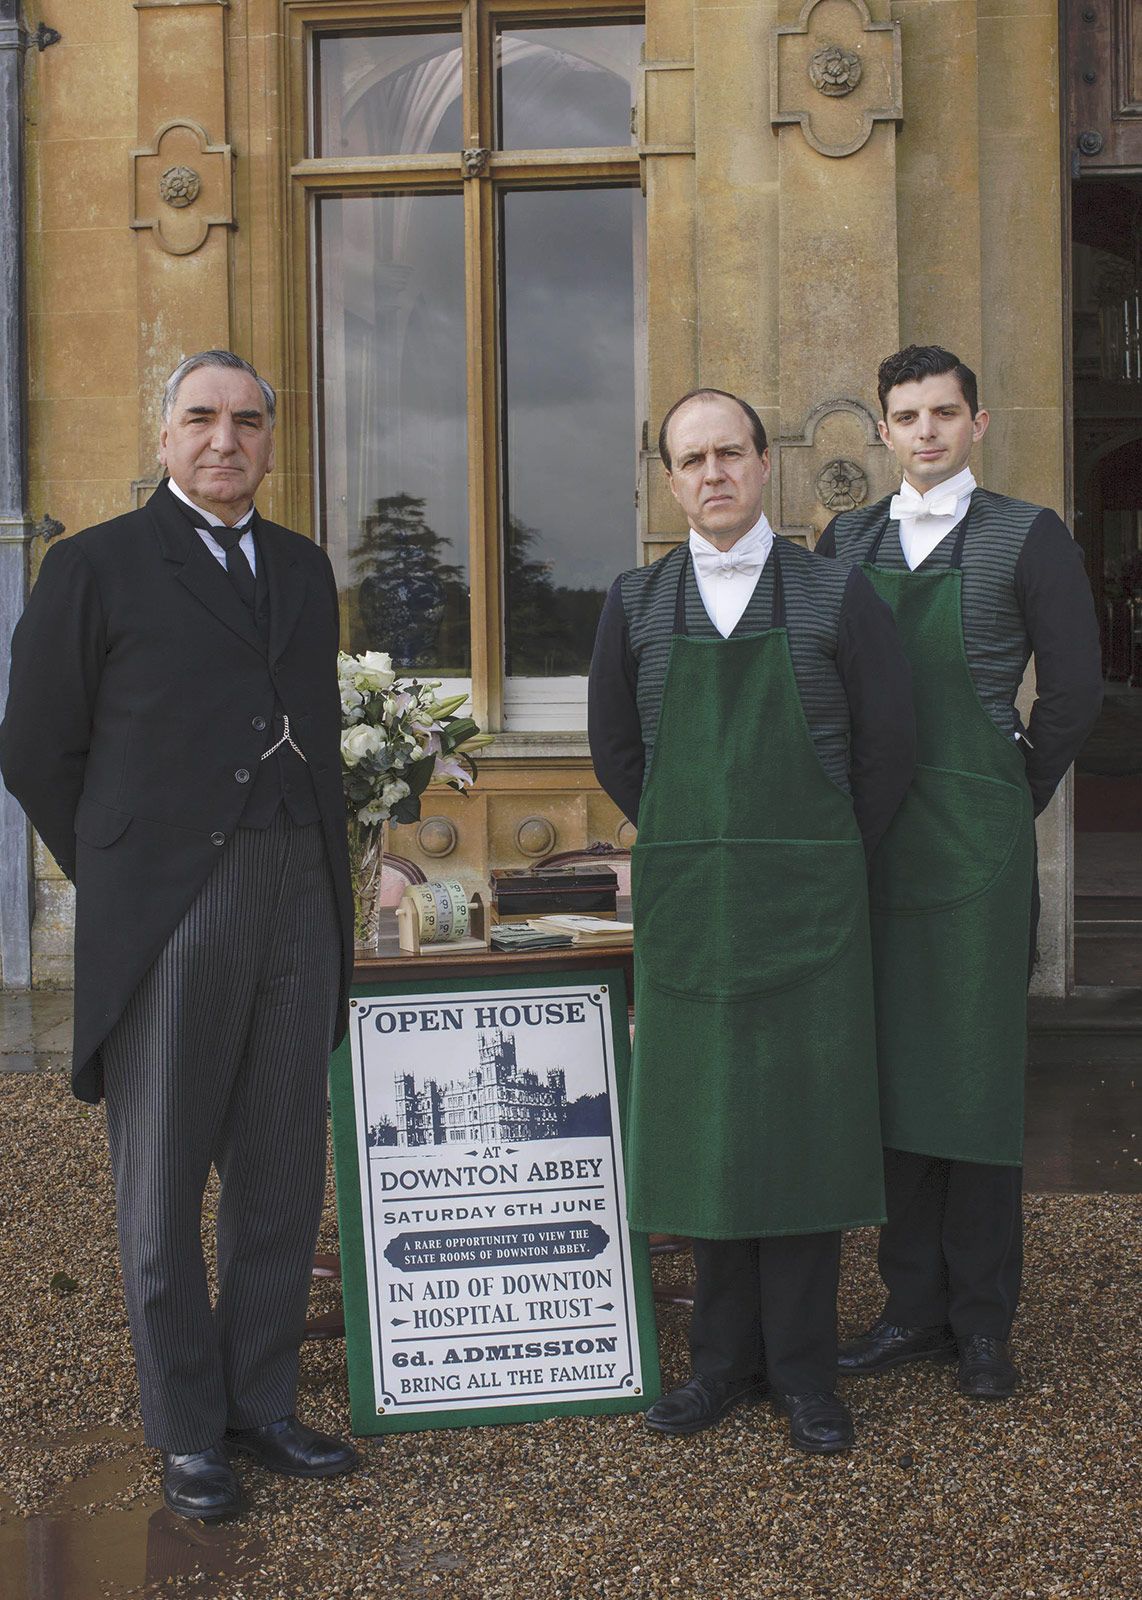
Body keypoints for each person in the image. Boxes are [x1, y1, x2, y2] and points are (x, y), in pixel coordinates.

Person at [0, 351, 358, 1519]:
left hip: (297, 890)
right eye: (200, 419)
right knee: (161, 1188)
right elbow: (38, 745)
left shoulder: (303, 568)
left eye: (247, 422)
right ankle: (187, 1428)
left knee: (278, 1170)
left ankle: (260, 1403)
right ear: (163, 439)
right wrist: (125, 864)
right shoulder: (93, 565)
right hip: (171, 903)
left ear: (269, 439)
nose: (224, 439)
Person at [588, 388, 916, 1454]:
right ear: (668, 478)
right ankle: (718, 1367)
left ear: (762, 464)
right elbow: (616, 756)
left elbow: (886, 747)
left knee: (804, 1130)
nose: (712, 472)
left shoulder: (836, 593)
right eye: (690, 459)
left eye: (729, 452)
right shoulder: (634, 603)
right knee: (706, 1129)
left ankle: (806, 1371)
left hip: (812, 903)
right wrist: (692, 840)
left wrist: (817, 851)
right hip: (693, 906)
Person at [817, 344, 1103, 1399]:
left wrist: (1006, 789)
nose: (926, 430)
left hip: (975, 835)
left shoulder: (1027, 535)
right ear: (882, 431)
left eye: (944, 412)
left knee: (974, 1078)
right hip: (876, 841)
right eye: (906, 414)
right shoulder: (842, 541)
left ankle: (981, 1319)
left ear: (976, 424)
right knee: (894, 1074)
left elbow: (1072, 690)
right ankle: (907, 1307)